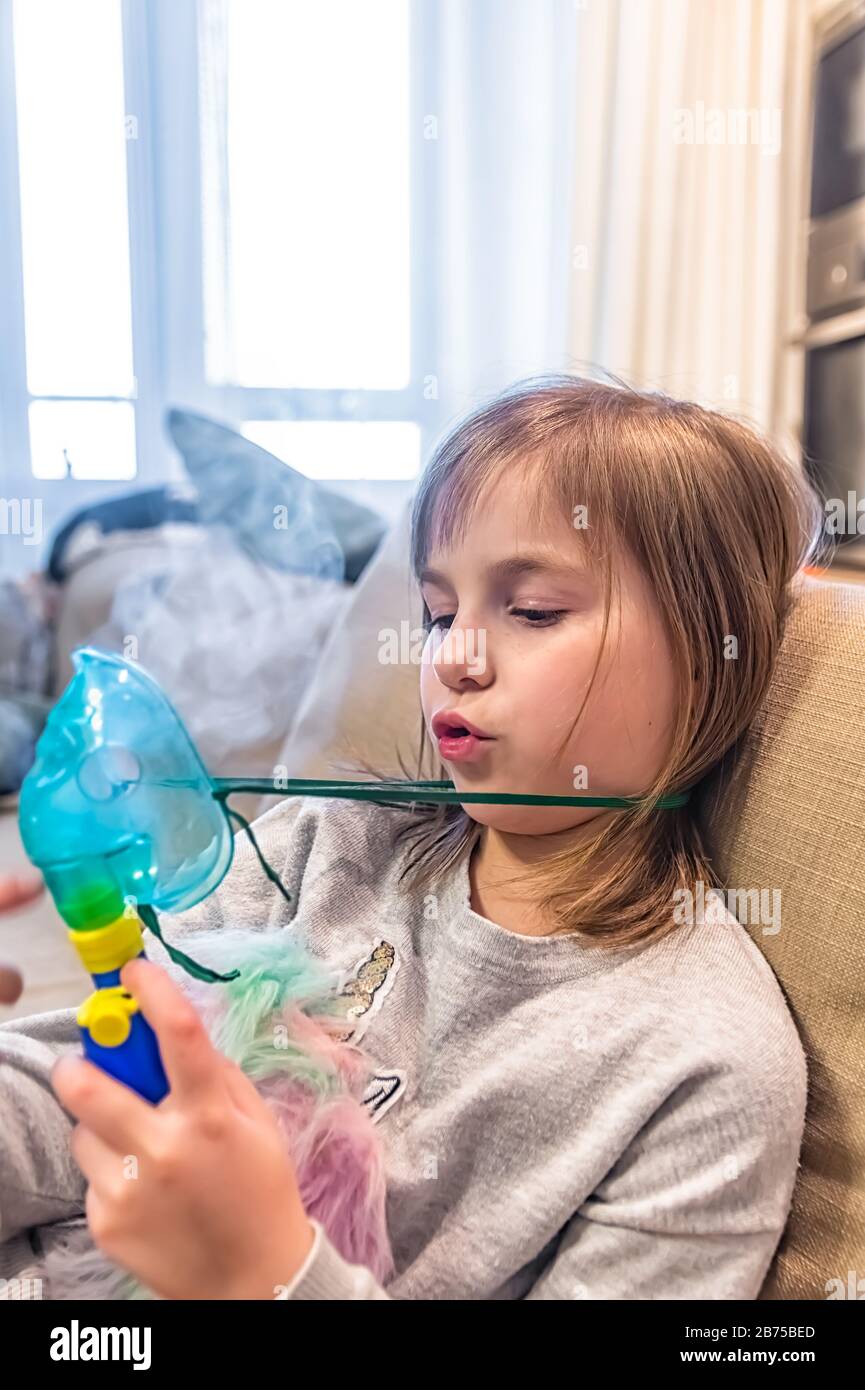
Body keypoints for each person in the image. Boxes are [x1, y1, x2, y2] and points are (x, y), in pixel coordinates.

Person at [0, 374, 824, 1300]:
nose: (454, 659)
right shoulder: (330, 842)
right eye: (438, 614)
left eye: (534, 610)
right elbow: (78, 1075)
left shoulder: (700, 1061)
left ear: (711, 649)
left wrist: (270, 1276)